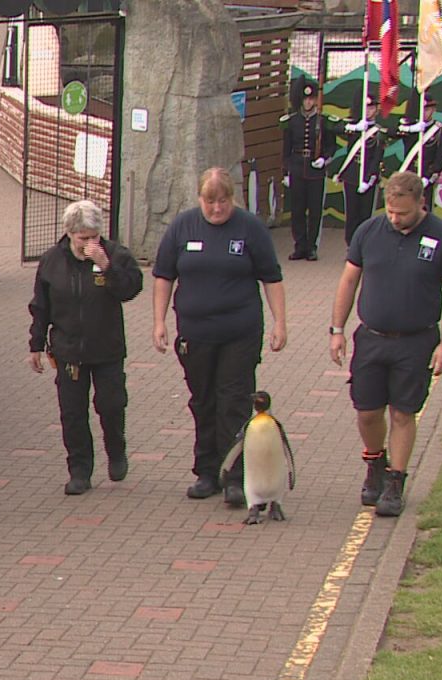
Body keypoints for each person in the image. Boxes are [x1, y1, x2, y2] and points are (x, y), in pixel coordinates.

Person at [329, 171, 442, 517]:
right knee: (367, 411)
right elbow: (348, 280)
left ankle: (396, 481)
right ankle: (375, 463)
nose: (395, 218)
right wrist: (337, 328)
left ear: (421, 203)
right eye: (390, 211)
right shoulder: (368, 232)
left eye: (402, 213)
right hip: (372, 338)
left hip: (415, 341)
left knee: (404, 412)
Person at [152, 167, 287, 506]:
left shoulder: (250, 229)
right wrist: (159, 322)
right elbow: (164, 276)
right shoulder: (183, 227)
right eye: (209, 201)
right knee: (203, 400)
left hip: (239, 332)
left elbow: (272, 278)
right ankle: (206, 471)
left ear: (233, 198)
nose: (216, 208)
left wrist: (280, 323)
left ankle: (236, 475)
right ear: (199, 199)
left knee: (234, 400)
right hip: (195, 333)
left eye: (222, 201)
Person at [26, 200, 144, 495]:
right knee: (73, 413)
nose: (90, 243)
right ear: (69, 234)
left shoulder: (115, 255)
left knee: (111, 403)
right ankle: (79, 470)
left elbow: (131, 289)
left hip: (107, 347)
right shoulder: (52, 261)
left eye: (94, 237)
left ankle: (116, 449)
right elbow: (41, 305)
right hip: (69, 350)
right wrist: (36, 344)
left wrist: (107, 266)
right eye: (83, 238)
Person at [281, 78, 336, 261]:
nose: (308, 102)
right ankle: (299, 246)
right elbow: (286, 149)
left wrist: (324, 159)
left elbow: (331, 147)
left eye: (311, 99)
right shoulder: (292, 121)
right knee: (297, 210)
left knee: (314, 211)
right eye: (305, 100)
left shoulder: (323, 121)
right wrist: (286, 172)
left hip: (315, 171)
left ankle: (312, 247)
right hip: (297, 168)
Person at [338, 94, 385, 247]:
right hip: (352, 175)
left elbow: (377, 156)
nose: (369, 111)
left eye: (371, 107)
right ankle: (351, 246)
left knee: (366, 215)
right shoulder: (353, 126)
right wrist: (354, 127)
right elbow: (335, 128)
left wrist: (370, 177)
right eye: (366, 107)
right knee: (352, 214)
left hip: (367, 177)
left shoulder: (378, 132)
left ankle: (364, 246)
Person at [398, 93, 442, 208]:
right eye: (422, 109)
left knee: (425, 210)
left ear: (434, 110)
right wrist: (411, 128)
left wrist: (429, 176)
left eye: (428, 109)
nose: (425, 112)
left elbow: (441, 157)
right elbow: (392, 132)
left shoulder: (438, 130)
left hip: (426, 176)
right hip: (409, 175)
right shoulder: (409, 126)